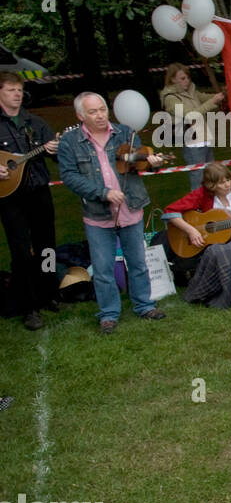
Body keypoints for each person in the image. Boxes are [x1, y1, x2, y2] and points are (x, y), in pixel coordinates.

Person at [57, 92, 167, 333]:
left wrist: (152, 162)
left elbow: (139, 161)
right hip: (97, 214)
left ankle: (144, 305)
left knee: (138, 262)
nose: (100, 115)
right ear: (80, 115)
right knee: (103, 267)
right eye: (93, 112)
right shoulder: (69, 142)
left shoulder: (125, 132)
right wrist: (103, 192)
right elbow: (69, 177)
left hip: (131, 207)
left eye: (102, 109)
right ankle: (108, 314)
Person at [162, 162, 231, 308]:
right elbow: (170, 212)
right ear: (211, 185)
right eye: (221, 183)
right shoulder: (203, 195)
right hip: (218, 244)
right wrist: (191, 230)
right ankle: (210, 292)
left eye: (228, 180)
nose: (227, 185)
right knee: (219, 250)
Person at [0, 71, 60, 330]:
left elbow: (58, 156)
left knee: (47, 245)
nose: (17, 94)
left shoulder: (34, 122)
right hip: (11, 198)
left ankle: (49, 292)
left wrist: (57, 148)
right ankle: (28, 306)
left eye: (19, 90)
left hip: (38, 192)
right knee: (21, 252)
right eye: (11, 89)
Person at [160, 62, 226, 189]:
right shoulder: (170, 98)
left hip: (204, 139)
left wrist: (222, 95)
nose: (187, 81)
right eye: (182, 78)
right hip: (191, 143)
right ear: (172, 79)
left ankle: (210, 205)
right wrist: (213, 101)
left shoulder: (192, 91)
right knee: (198, 178)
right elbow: (190, 115)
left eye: (188, 78)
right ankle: (197, 207)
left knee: (212, 177)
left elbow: (205, 98)